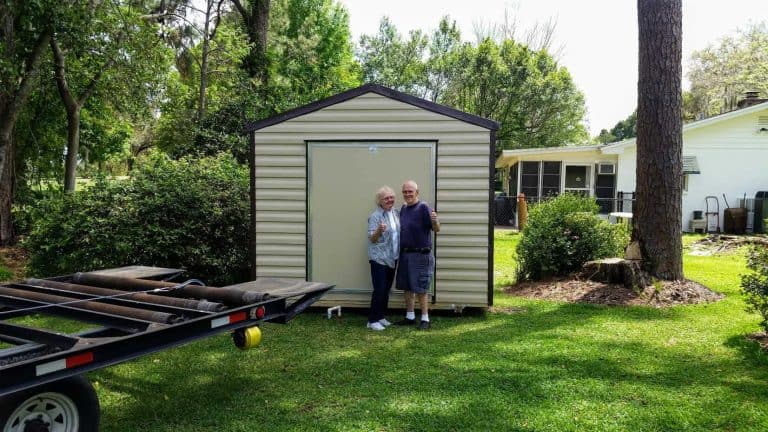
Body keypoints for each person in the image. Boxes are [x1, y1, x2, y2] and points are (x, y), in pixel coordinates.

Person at [395, 180, 439, 330]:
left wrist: (435, 220)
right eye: (405, 192)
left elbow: (436, 229)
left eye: (410, 191)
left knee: (420, 288)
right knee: (407, 287)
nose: (407, 194)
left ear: (417, 192)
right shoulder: (404, 209)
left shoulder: (423, 207)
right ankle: (410, 316)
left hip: (421, 255)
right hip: (405, 254)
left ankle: (425, 319)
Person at [366, 186, 400, 331]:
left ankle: (381, 317)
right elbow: (372, 239)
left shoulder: (395, 213)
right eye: (386, 198)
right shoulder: (376, 216)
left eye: (391, 197)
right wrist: (379, 230)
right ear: (380, 201)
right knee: (379, 289)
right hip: (379, 258)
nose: (389, 200)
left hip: (392, 258)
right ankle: (372, 320)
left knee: (386, 289)